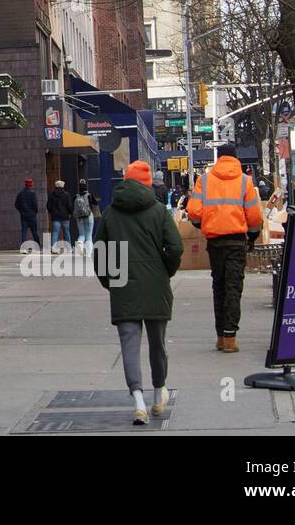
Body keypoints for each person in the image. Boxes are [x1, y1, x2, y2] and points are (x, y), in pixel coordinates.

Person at [94, 160, 184, 425]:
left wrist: (109, 281)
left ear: (126, 181)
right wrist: (166, 270)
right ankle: (159, 392)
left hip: (123, 284)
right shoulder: (158, 211)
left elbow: (100, 251)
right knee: (158, 343)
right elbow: (176, 247)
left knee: (129, 346)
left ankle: (137, 401)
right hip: (156, 284)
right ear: (147, 184)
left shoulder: (111, 212)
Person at [186, 142, 263, 353]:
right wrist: (253, 235)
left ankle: (221, 336)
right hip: (237, 241)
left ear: (218, 158)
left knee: (218, 287)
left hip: (215, 242)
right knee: (233, 288)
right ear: (236, 158)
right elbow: (254, 216)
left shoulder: (204, 180)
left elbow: (193, 213)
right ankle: (230, 337)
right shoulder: (245, 182)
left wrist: (205, 225)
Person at [47, 179, 73, 251]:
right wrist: (70, 213)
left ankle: (54, 247)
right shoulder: (66, 194)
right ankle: (69, 248)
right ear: (62, 186)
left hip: (55, 217)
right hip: (65, 217)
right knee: (67, 232)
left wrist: (51, 212)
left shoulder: (51, 195)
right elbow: (69, 205)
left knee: (55, 232)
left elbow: (48, 206)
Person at [15, 179, 39, 248]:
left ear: (25, 185)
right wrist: (34, 212)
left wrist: (21, 211)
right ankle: (37, 246)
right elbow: (35, 205)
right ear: (31, 185)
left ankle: (23, 248)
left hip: (24, 216)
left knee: (24, 232)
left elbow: (16, 204)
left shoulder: (20, 194)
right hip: (32, 216)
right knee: (34, 232)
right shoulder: (32, 194)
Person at [72, 180, 95, 252]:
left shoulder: (76, 196)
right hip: (88, 216)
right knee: (89, 235)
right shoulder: (89, 195)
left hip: (79, 217)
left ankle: (80, 243)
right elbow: (95, 203)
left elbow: (73, 206)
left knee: (82, 234)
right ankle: (89, 251)